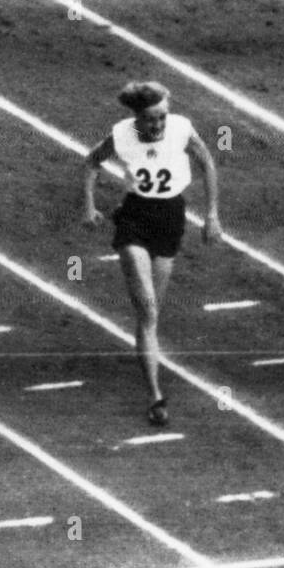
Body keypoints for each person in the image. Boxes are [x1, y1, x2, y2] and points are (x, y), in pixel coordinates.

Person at [83, 81, 222, 425]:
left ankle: (150, 371)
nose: (157, 125)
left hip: (170, 218)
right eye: (150, 119)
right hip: (134, 218)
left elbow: (206, 163)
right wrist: (88, 206)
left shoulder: (181, 129)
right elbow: (92, 162)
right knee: (146, 310)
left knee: (152, 315)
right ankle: (156, 396)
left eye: (162, 117)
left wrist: (212, 215)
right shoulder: (121, 135)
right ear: (136, 118)